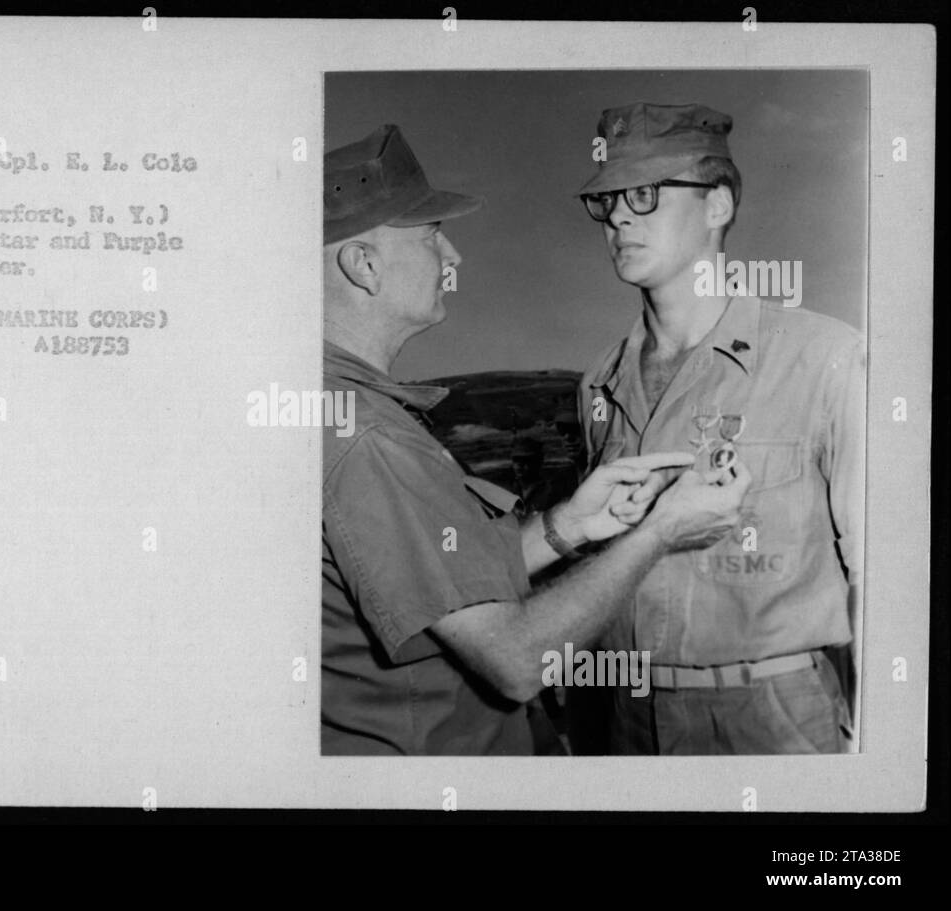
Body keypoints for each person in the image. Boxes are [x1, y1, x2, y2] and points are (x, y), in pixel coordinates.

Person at [321, 123, 752, 756]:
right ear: (364, 265)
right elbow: (518, 662)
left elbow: (441, 584)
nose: (453, 257)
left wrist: (568, 526)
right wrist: (658, 533)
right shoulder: (368, 438)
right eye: (431, 233)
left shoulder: (335, 410)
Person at [574, 102, 864, 754]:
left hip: (774, 719)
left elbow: (887, 573)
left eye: (645, 194)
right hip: (624, 720)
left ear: (717, 207)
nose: (619, 215)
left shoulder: (825, 358)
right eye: (608, 200)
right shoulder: (598, 384)